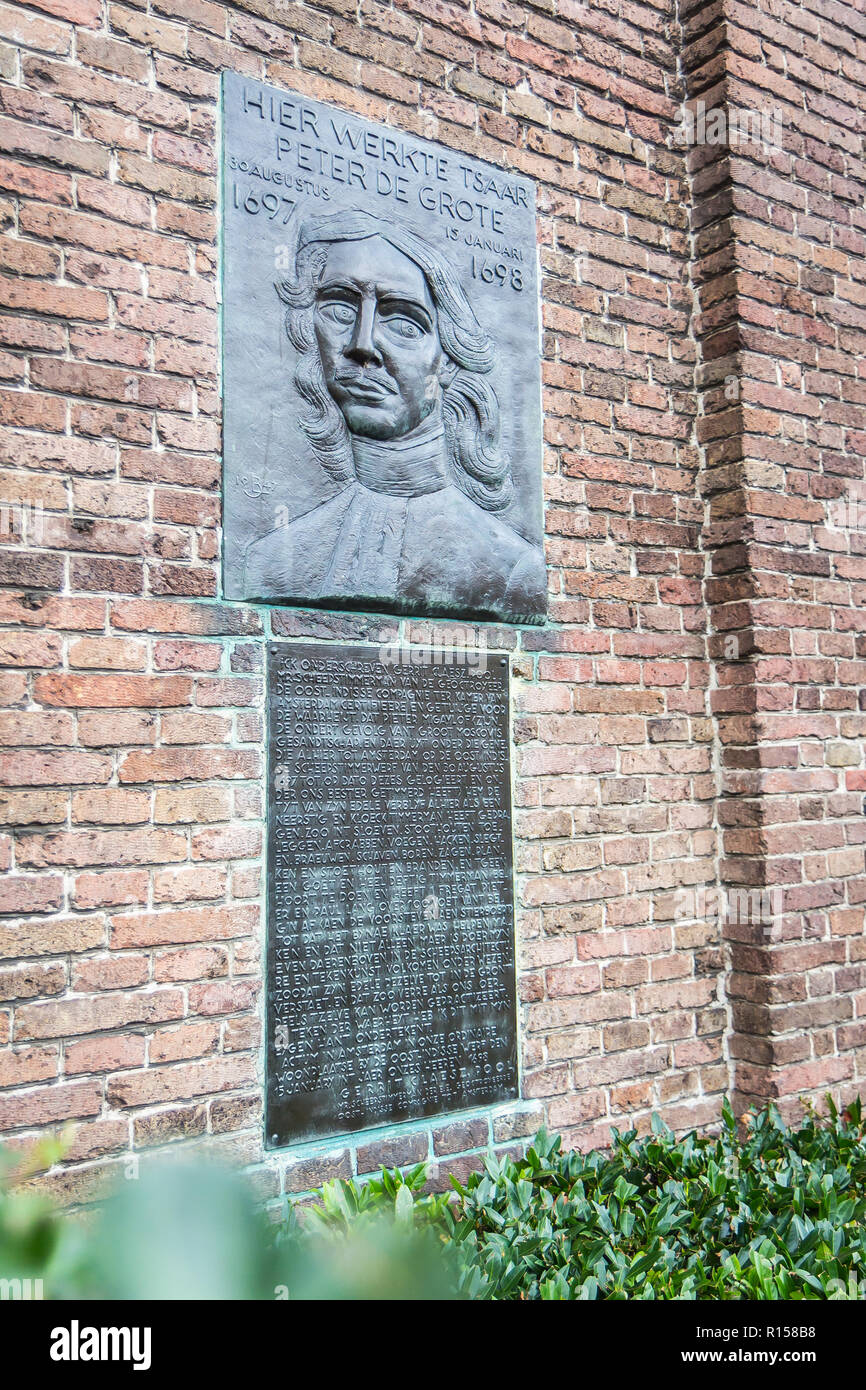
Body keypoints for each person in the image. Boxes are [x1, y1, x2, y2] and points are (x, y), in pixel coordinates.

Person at [243, 208, 546, 623]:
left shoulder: (512, 570)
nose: (361, 345)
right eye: (339, 311)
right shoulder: (270, 562)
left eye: (403, 323)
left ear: (449, 360)